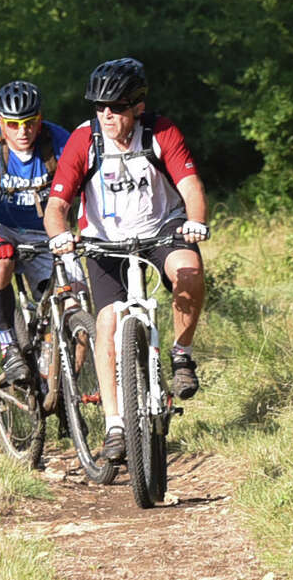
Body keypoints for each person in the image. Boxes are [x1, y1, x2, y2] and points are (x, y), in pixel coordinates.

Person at [43, 58, 209, 463]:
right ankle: (115, 425)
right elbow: (57, 205)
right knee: (107, 323)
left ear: (137, 106)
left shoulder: (160, 132)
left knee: (189, 272)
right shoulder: (84, 140)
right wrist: (60, 234)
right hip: (104, 241)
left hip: (161, 228)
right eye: (99, 107)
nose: (106, 115)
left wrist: (196, 221)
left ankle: (181, 354)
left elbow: (191, 186)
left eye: (116, 107)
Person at [0, 80, 76, 389]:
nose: (23, 131)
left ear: (40, 119)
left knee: (75, 305)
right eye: (13, 124)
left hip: (44, 231)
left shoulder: (59, 141)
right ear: (1, 121)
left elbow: (86, 191)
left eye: (30, 122)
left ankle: (60, 390)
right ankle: (8, 345)